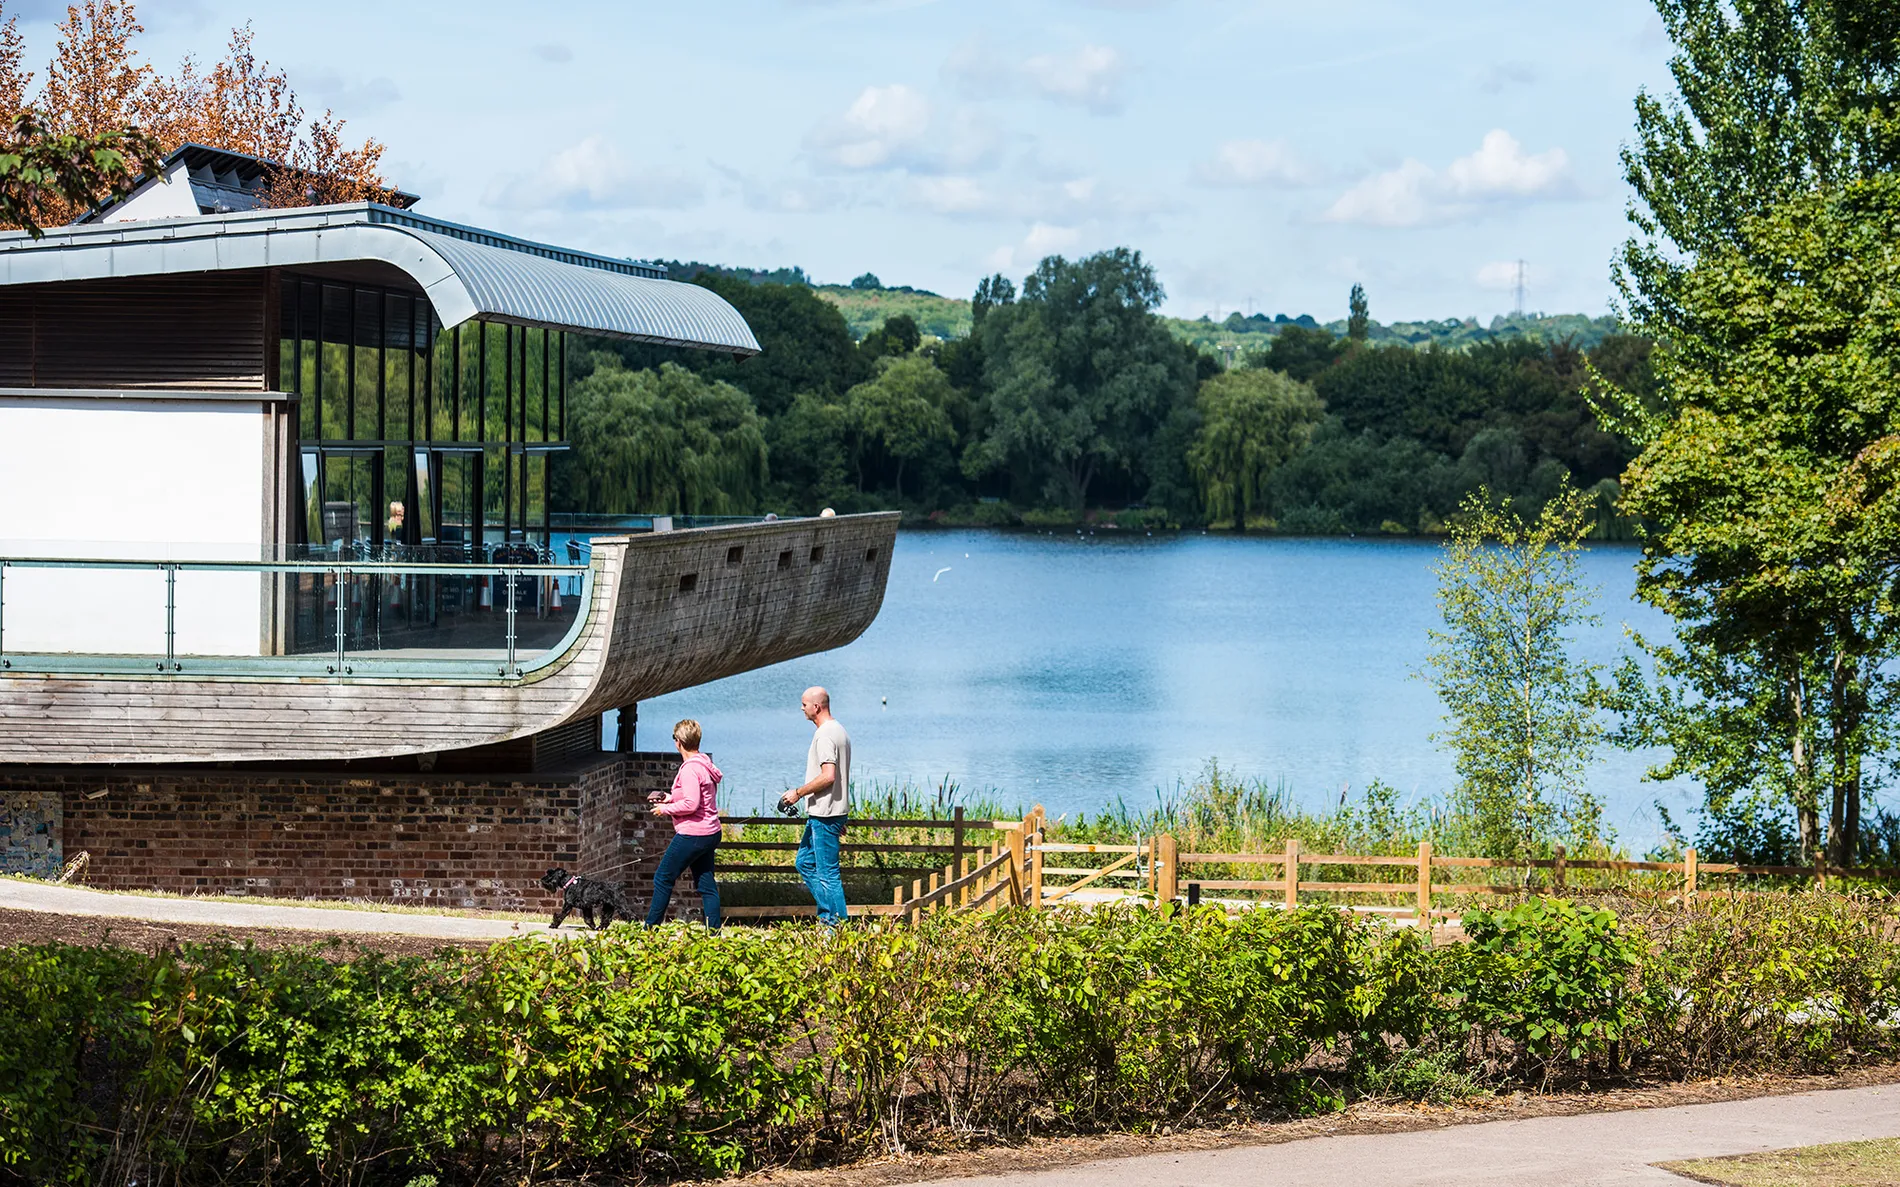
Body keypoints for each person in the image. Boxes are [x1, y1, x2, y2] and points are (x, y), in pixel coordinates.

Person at [780, 686, 851, 926]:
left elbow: (829, 776)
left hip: (825, 814)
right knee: (804, 862)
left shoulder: (824, 735)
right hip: (830, 813)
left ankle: (837, 926)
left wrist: (797, 793)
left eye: (804, 704)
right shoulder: (839, 730)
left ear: (816, 707)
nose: (801, 708)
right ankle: (828, 915)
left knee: (829, 874)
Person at [645, 718, 723, 928]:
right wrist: (670, 798)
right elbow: (696, 796)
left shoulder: (689, 769)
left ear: (678, 742)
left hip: (693, 834)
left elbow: (691, 804)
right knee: (706, 884)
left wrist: (664, 809)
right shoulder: (704, 763)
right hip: (710, 831)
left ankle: (649, 930)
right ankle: (714, 934)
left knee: (662, 878)